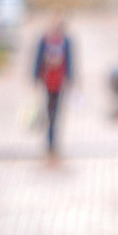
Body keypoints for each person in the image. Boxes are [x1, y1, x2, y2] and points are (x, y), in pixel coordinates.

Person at [31, 19, 75, 156]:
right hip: (47, 81)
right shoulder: (45, 40)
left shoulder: (65, 41)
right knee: (49, 111)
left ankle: (53, 140)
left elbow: (69, 61)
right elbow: (38, 59)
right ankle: (49, 140)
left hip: (59, 82)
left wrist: (70, 78)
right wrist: (36, 77)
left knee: (56, 112)